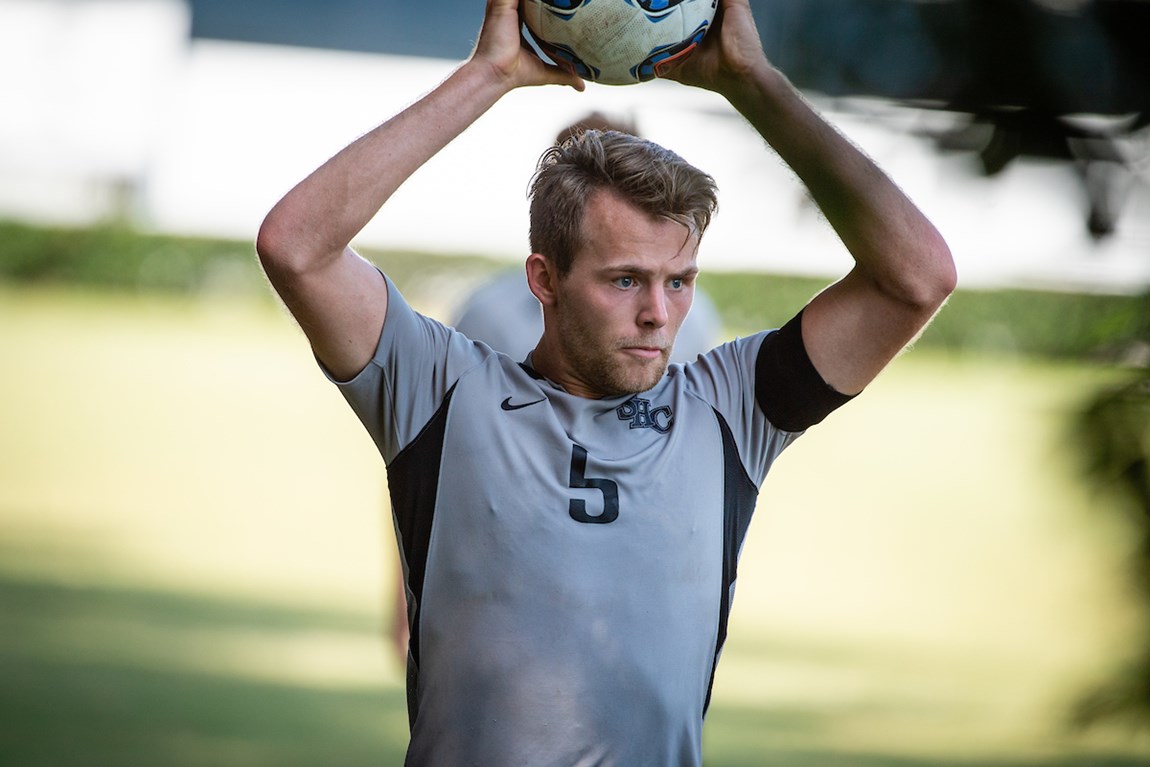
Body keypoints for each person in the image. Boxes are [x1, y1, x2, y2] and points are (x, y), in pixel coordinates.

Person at [255, 0, 956, 764]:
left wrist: (756, 83)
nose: (660, 314)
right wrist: (486, 77)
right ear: (544, 279)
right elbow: (296, 247)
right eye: (625, 280)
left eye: (679, 281)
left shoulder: (728, 409)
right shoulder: (441, 392)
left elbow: (917, 279)